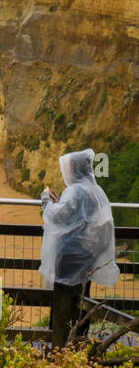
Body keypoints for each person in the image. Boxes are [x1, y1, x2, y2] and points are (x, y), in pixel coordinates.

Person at [40, 148, 120, 347]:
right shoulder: (96, 191)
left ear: (74, 169)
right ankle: (80, 344)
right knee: (83, 301)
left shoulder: (75, 191)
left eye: (67, 167)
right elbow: (83, 219)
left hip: (69, 258)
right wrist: (59, 202)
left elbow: (56, 217)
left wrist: (45, 200)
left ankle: (61, 348)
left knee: (64, 303)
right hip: (87, 258)